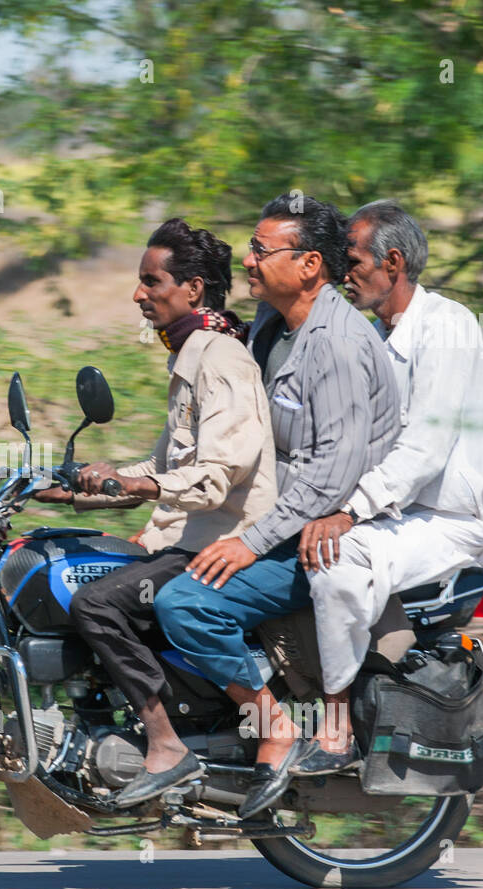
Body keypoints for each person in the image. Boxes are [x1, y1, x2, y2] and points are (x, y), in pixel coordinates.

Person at [153, 193, 401, 818]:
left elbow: (331, 476)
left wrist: (251, 542)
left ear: (310, 264)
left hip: (321, 536)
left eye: (263, 251)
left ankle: (273, 728)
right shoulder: (271, 325)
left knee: (184, 601)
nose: (251, 262)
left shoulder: (338, 346)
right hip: (273, 520)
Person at [34, 217, 277, 807]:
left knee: (94, 602)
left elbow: (216, 478)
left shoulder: (219, 358)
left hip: (228, 542)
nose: (138, 294)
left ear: (193, 288)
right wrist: (71, 488)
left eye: (151, 281)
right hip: (191, 536)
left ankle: (168, 745)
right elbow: (162, 466)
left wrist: (133, 485)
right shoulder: (191, 355)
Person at [292, 200, 483, 773]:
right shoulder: (374, 335)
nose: (344, 274)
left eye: (353, 261)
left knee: (334, 556)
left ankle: (336, 727)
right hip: (398, 514)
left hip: (450, 519)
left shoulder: (445, 325)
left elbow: (424, 448)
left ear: (392, 262)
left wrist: (347, 513)